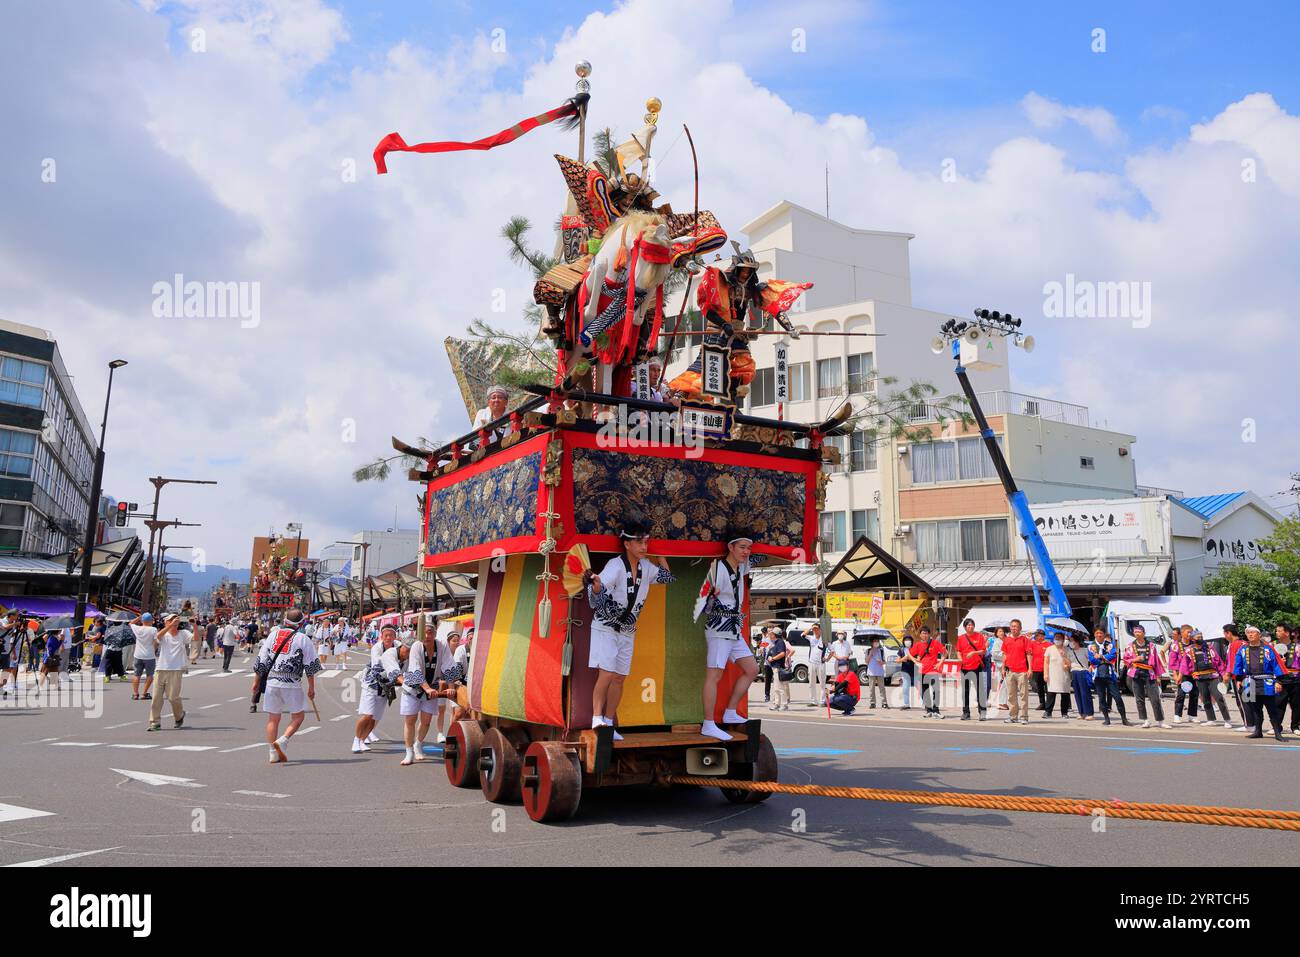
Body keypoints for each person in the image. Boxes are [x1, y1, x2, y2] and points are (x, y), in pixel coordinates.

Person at [585, 517, 674, 740]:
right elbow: (598, 593)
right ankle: (596, 718)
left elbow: (667, 578)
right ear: (627, 544)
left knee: (619, 677)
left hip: (627, 630)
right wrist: (596, 587)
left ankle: (608, 720)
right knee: (606, 673)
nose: (644, 547)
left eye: (646, 543)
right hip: (605, 627)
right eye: (639, 543)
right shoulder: (615, 565)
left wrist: (661, 551)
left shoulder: (647, 567)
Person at [695, 534, 759, 741]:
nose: (746, 551)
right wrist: (713, 599)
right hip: (718, 627)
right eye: (742, 547)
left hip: (733, 629)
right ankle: (708, 723)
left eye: (748, 548)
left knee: (752, 669)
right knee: (714, 675)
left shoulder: (741, 567)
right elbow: (703, 602)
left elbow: (760, 557)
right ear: (730, 547)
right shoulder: (717, 568)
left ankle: (730, 711)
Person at [253, 609, 320, 763]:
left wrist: (256, 682)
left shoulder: (273, 635)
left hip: (272, 682)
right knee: (298, 716)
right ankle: (283, 740)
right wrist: (311, 688)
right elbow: (310, 666)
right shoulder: (303, 639)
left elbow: (262, 660)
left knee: (273, 718)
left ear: (285, 621)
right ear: (301, 623)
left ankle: (272, 751)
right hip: (292, 683)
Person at [399, 631, 455, 765]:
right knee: (410, 720)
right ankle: (409, 752)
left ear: (435, 633)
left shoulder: (441, 645)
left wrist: (451, 686)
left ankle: (418, 745)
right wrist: (427, 688)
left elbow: (449, 665)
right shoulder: (416, 646)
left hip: (432, 688)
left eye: (430, 633)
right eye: (424, 632)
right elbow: (415, 669)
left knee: (426, 720)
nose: (427, 636)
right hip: (413, 688)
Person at [353, 624, 402, 752]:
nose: (388, 637)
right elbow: (377, 665)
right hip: (372, 684)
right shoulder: (377, 647)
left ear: (395, 636)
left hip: (387, 686)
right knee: (367, 715)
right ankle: (356, 740)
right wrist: (394, 668)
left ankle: (363, 740)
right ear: (381, 636)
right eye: (386, 635)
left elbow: (403, 660)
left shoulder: (398, 646)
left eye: (391, 635)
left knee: (375, 718)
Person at [1232, 625, 1286, 741]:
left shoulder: (1268, 648)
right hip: (1250, 681)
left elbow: (1276, 665)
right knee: (1255, 708)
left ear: (1259, 635)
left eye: (1253, 632)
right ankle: (1258, 731)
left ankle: (1277, 732)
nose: (1250, 635)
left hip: (1267, 681)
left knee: (1272, 709)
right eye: (1248, 633)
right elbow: (1238, 665)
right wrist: (1239, 680)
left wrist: (1278, 681)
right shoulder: (1242, 650)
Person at [147, 614, 191, 732]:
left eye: (175, 620)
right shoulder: (164, 634)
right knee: (156, 697)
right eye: (170, 620)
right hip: (161, 668)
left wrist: (195, 626)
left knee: (173, 698)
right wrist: (170, 625)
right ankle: (154, 722)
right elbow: (158, 636)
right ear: (166, 622)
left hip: (176, 669)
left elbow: (196, 639)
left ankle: (179, 715)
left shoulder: (183, 633)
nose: (174, 622)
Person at [1123, 625, 1170, 729]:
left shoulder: (1151, 645)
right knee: (1139, 698)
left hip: (1149, 672)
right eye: (1135, 632)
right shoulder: (1130, 646)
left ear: (1143, 633)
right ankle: (1145, 720)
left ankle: (1160, 721)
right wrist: (1135, 659)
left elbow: (1157, 661)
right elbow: (1126, 660)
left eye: (1139, 632)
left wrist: (1158, 675)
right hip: (1136, 673)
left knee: (1155, 698)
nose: (1137, 633)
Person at [1185, 630, 1232, 728]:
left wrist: (1223, 674)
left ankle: (1227, 720)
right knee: (1205, 699)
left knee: (1219, 697)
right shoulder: (1189, 650)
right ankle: (1211, 719)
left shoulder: (1210, 648)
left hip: (1213, 676)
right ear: (1193, 639)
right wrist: (1184, 676)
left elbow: (1218, 662)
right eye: (1198, 637)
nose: (1200, 639)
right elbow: (1185, 664)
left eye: (1201, 637)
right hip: (1199, 677)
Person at [1088, 628, 1130, 726]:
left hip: (1110, 675)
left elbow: (1113, 656)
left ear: (1104, 634)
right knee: (1102, 698)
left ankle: (1124, 719)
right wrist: (1103, 660)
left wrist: (1101, 657)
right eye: (1097, 633)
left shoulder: (1109, 645)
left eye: (1101, 633)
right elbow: (1092, 660)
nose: (1099, 635)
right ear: (1094, 634)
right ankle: (1106, 718)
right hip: (1098, 675)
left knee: (1118, 697)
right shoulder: (1091, 646)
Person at [1001, 619, 1032, 724]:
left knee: (1024, 695)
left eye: (1016, 626)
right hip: (1010, 671)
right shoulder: (1006, 640)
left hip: (1022, 671)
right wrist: (1003, 668)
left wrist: (1030, 668)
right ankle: (1013, 716)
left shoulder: (1024, 640)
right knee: (1011, 695)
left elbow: (1028, 654)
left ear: (1020, 628)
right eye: (1012, 626)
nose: (1014, 628)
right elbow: (1004, 654)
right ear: (1010, 627)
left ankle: (1024, 717)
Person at [1167, 625, 1200, 724]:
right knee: (1181, 694)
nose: (1190, 634)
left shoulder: (1194, 644)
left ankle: (1192, 715)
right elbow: (1173, 662)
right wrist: (1176, 675)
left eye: (1191, 632)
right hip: (1182, 674)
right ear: (1182, 633)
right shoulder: (1176, 645)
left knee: (1194, 694)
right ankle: (1177, 715)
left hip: (1193, 673)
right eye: (1188, 632)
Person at [956, 619, 987, 721]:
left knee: (980, 691)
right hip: (965, 668)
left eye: (972, 625)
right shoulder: (961, 638)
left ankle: (982, 712)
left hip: (977, 667)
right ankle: (966, 713)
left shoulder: (979, 636)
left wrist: (973, 653)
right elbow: (958, 651)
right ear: (965, 627)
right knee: (965, 692)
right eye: (968, 625)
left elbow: (983, 651)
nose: (970, 627)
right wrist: (960, 659)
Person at [912, 626, 945, 718]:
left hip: (933, 671)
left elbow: (944, 653)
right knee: (925, 691)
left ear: (929, 634)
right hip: (922, 672)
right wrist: (916, 662)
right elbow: (910, 654)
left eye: (926, 633)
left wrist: (939, 663)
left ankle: (936, 710)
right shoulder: (918, 644)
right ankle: (928, 710)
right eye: (923, 633)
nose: (925, 635)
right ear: (920, 635)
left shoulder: (935, 643)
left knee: (936, 690)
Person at [1042, 632, 1072, 719]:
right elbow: (1046, 662)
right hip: (1052, 674)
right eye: (1056, 637)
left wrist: (1065, 659)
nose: (1057, 639)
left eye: (1059, 638)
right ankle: (1048, 712)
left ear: (1063, 639)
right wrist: (1045, 673)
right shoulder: (1049, 649)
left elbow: (1070, 662)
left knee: (1065, 694)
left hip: (1064, 675)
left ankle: (1064, 712)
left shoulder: (1067, 650)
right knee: (1051, 693)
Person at [129, 613, 158, 701]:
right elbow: (155, 641)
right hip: (149, 655)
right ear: (151, 621)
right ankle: (144, 693)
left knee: (136, 674)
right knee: (150, 675)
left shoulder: (137, 628)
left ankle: (135, 693)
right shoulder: (153, 629)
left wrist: (139, 617)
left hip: (138, 655)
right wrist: (154, 649)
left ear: (142, 621)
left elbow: (130, 623)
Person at [1066, 634, 1094, 720]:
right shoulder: (1069, 652)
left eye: (1071, 640)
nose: (1070, 642)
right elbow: (1068, 664)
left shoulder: (1085, 650)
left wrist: (1090, 669)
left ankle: (1089, 713)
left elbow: (1092, 660)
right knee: (1077, 693)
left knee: (1085, 693)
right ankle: (1081, 712)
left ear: (1077, 641)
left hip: (1083, 672)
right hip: (1074, 672)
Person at [1278, 624, 1300, 734]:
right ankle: (1277, 726)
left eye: (1279, 631)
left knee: (1296, 704)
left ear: (1286, 633)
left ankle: (1295, 727)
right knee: (1279, 703)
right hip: (1280, 679)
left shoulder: (1297, 646)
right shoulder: (1274, 646)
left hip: (1296, 679)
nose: (1276, 633)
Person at [0, 609, 23, 697]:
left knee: (6, 673)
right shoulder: (2, 621)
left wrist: (20, 629)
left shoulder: (14, 625)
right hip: (0, 651)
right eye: (17, 615)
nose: (18, 617)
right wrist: (15, 624)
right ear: (12, 615)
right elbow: (5, 627)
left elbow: (12, 637)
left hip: (6, 651)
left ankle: (1, 688)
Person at [766, 629, 791, 711]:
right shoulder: (776, 643)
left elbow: (782, 653)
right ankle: (777, 704)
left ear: (775, 634)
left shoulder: (780, 642)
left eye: (772, 633)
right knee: (776, 687)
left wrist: (772, 658)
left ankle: (784, 705)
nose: (770, 634)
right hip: (775, 668)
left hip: (778, 668)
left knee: (780, 687)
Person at [804, 623, 827, 708]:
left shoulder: (824, 639)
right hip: (811, 663)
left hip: (821, 664)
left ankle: (822, 701)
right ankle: (813, 701)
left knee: (822, 683)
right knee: (811, 683)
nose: (815, 631)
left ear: (820, 630)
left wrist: (827, 658)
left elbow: (831, 650)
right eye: (814, 629)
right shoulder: (811, 638)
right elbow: (802, 634)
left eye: (817, 629)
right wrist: (811, 628)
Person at [864, 636, 888, 709]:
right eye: (875, 641)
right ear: (872, 643)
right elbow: (866, 661)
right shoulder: (868, 650)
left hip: (880, 671)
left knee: (882, 688)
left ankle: (884, 703)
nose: (876, 643)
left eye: (877, 641)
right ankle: (872, 703)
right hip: (871, 672)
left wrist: (881, 662)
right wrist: (870, 654)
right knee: (871, 688)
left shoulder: (881, 650)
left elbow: (884, 661)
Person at [1029, 629, 1050, 711]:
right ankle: (1042, 703)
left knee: (1048, 687)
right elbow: (1029, 654)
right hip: (1036, 669)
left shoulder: (1048, 645)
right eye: (1038, 635)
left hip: (1046, 669)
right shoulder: (1032, 644)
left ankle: (1049, 703)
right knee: (1039, 687)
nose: (1040, 637)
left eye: (1041, 635)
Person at [898, 632, 916, 709]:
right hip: (905, 671)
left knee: (920, 687)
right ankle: (906, 704)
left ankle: (926, 704)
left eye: (909, 640)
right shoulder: (901, 650)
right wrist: (904, 658)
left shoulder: (915, 648)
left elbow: (918, 659)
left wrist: (911, 658)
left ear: (912, 641)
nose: (907, 641)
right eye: (906, 640)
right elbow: (898, 660)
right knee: (905, 688)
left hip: (915, 671)